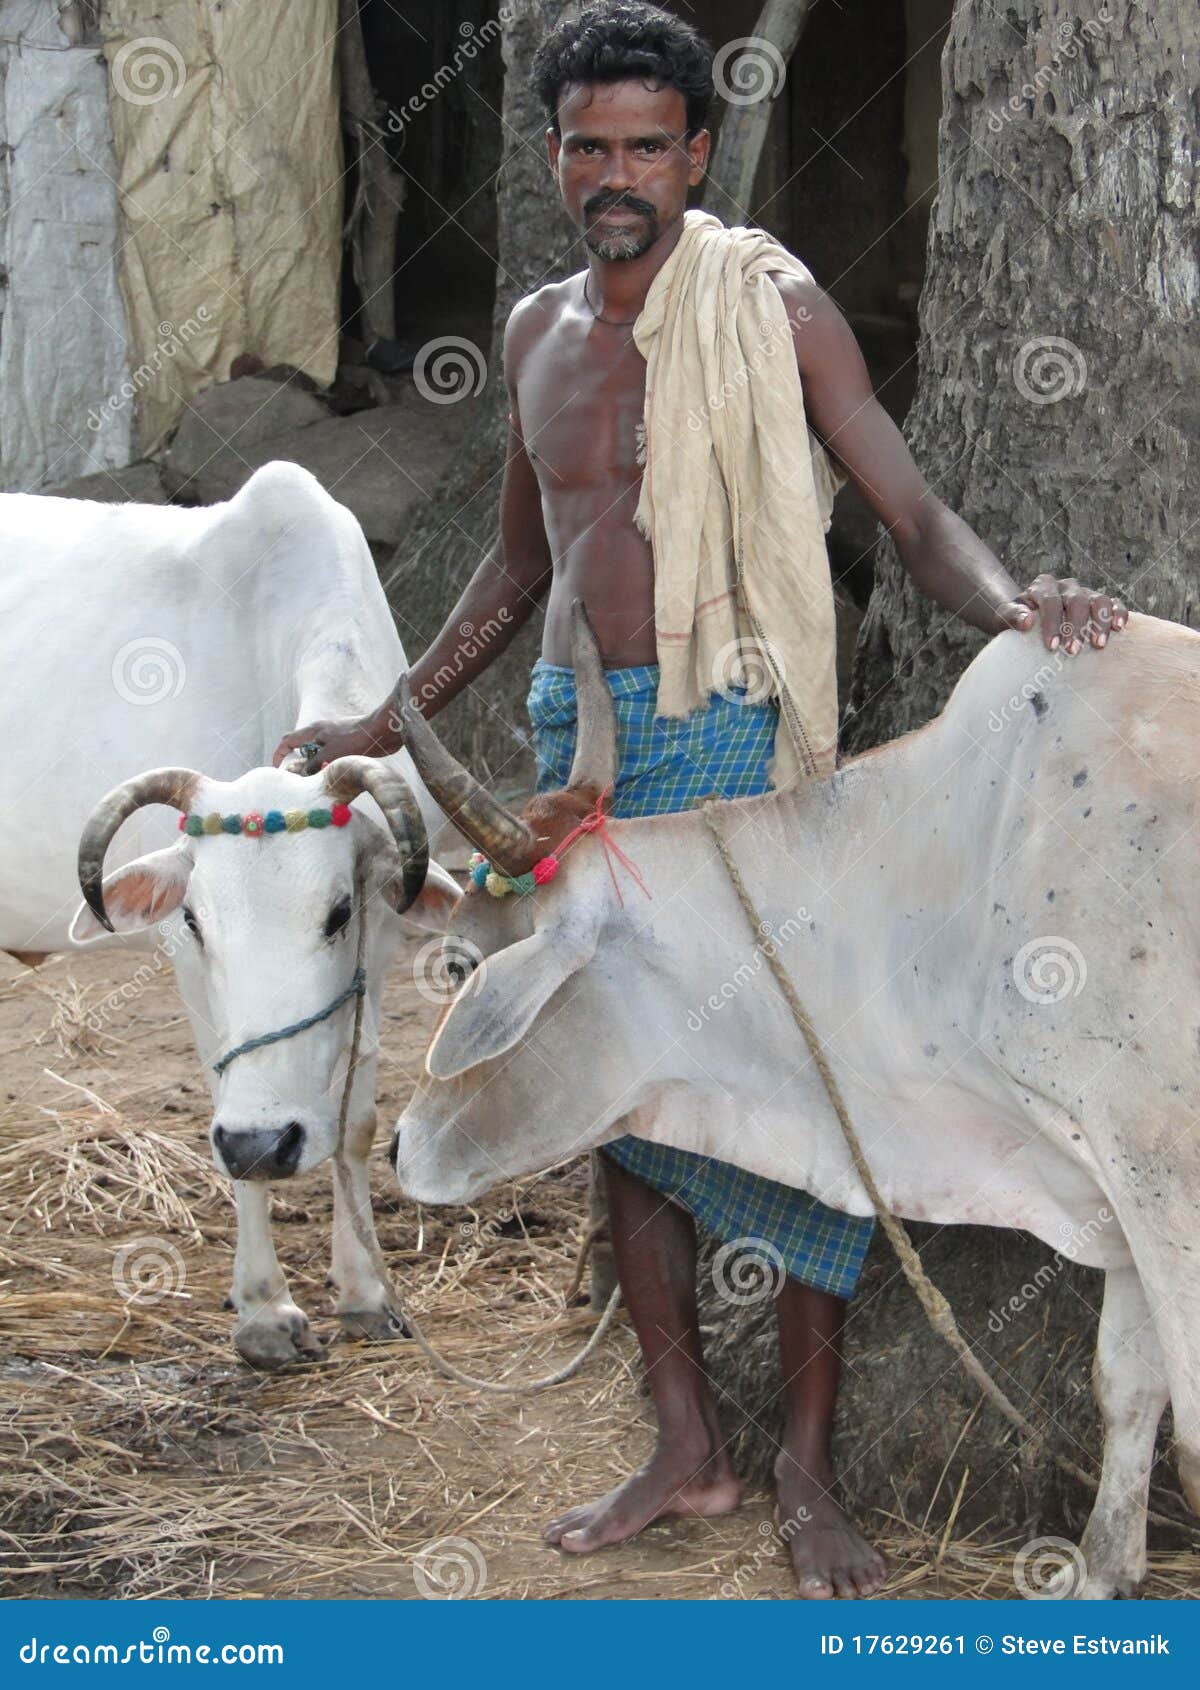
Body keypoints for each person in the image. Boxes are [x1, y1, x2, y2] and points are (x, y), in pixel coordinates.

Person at [275, 2, 1126, 1599]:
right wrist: (383, 720)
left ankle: (806, 1478)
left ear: (696, 153)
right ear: (551, 158)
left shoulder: (773, 303)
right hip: (572, 739)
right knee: (621, 1088)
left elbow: (906, 495)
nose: (618, 174)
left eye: (647, 147)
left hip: (732, 731)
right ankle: (689, 1445)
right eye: (589, 146)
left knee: (794, 1084)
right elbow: (520, 565)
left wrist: (1013, 609)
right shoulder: (531, 333)